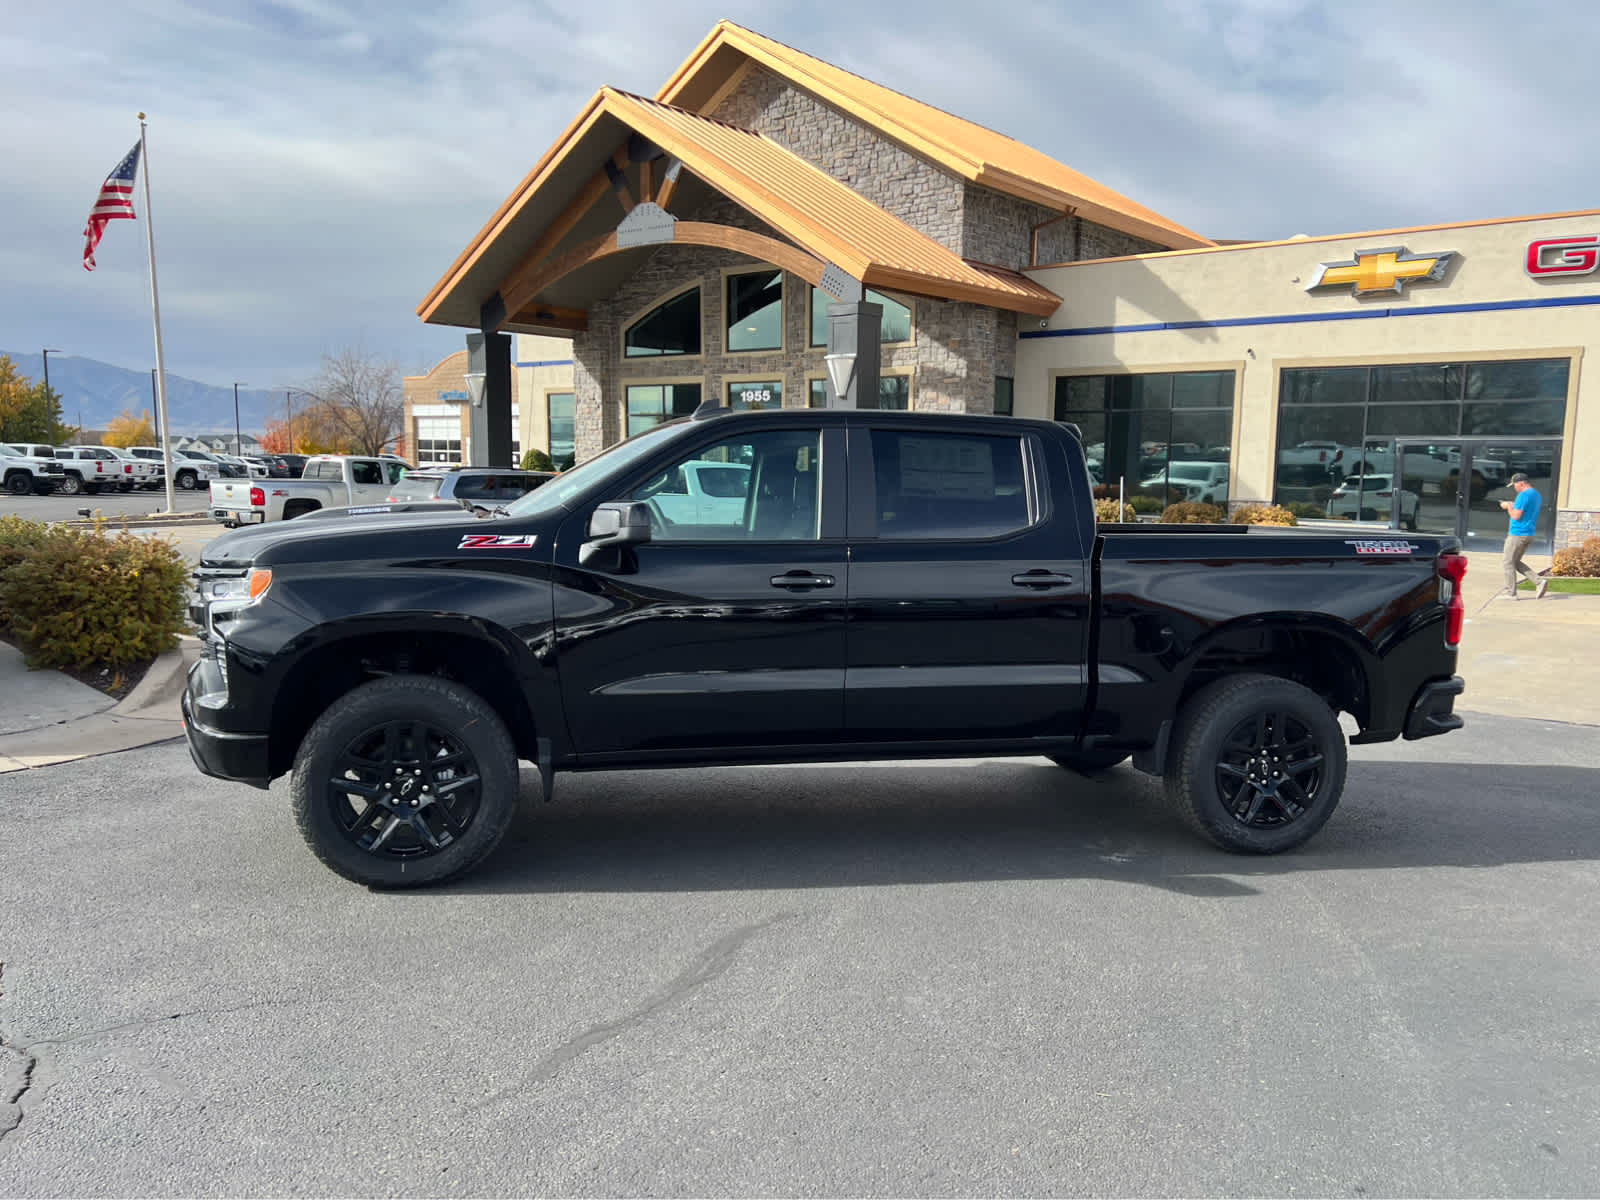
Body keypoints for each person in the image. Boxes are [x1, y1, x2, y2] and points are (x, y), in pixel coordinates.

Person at [1499, 472, 1547, 599]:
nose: (1514, 488)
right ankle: (1539, 581)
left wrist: (1508, 506)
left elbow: (1516, 516)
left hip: (1517, 534)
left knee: (1507, 562)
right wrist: (1513, 505)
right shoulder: (1536, 494)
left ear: (1521, 483)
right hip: (1529, 533)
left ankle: (1511, 593)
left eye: (1515, 485)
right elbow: (1525, 510)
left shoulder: (1523, 495)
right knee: (1514, 562)